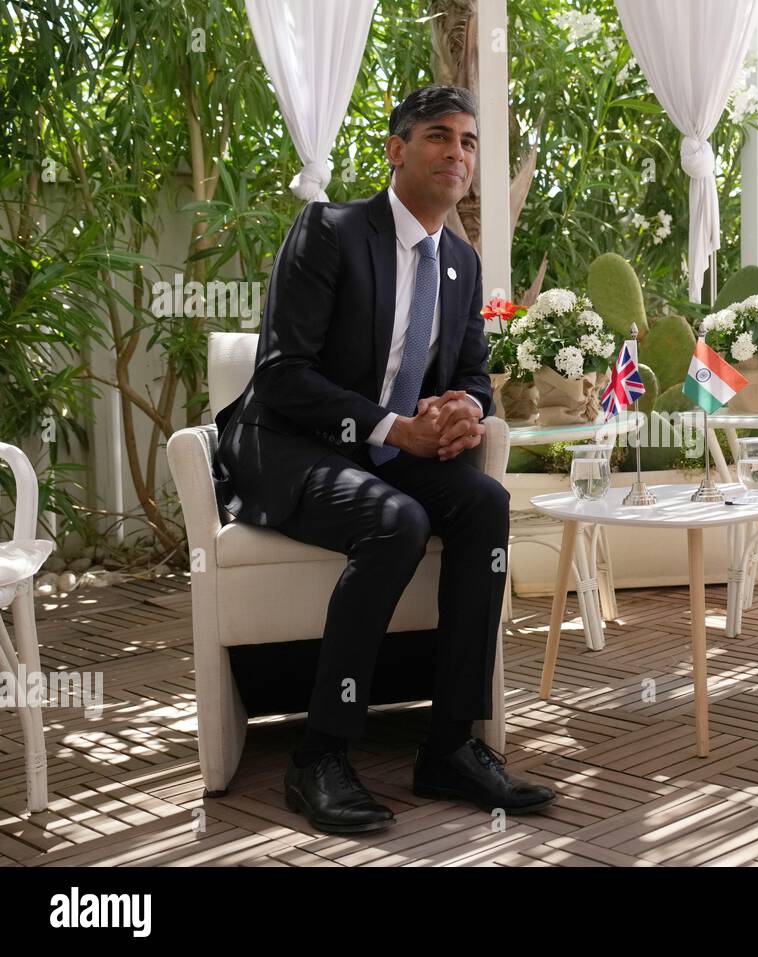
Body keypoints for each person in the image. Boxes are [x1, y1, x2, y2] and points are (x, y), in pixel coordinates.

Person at [213, 85, 555, 833]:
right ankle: (321, 754)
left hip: (381, 451)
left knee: (486, 503)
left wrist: (466, 410)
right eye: (439, 136)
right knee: (395, 520)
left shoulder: (459, 262)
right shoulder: (329, 231)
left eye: (469, 141)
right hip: (288, 446)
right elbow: (281, 373)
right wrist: (395, 428)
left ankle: (450, 746)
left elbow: (470, 374)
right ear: (397, 149)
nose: (457, 154)